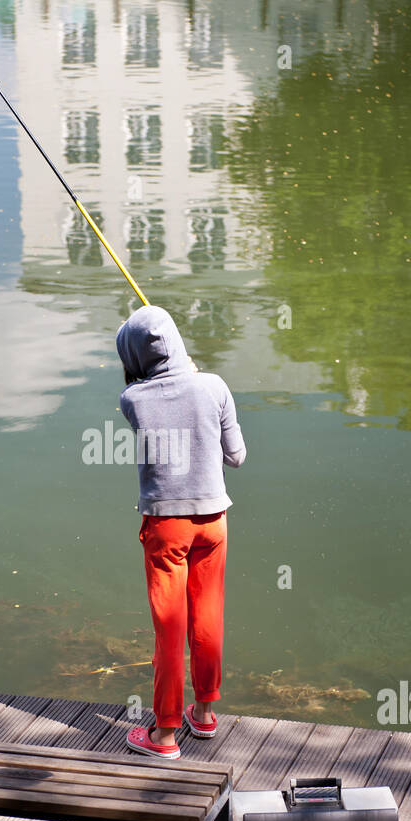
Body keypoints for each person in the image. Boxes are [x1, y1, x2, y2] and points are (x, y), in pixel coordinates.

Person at [115, 305, 246, 761]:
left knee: (169, 629)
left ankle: (165, 734)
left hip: (166, 526)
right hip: (214, 521)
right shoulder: (213, 386)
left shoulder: (132, 399)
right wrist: (195, 376)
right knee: (207, 615)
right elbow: (237, 456)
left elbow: (148, 390)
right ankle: (205, 713)